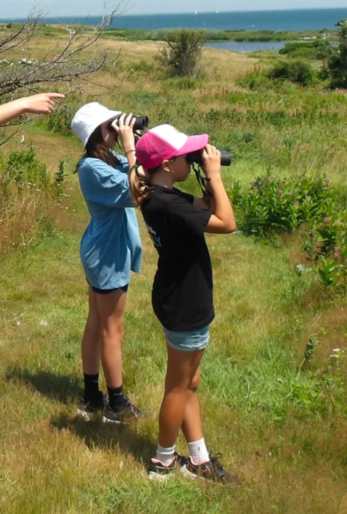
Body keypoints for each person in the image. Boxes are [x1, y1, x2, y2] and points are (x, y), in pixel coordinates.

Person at [130, 124, 239, 484]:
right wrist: (214, 175)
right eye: (185, 155)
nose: (192, 157)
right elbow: (226, 222)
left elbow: (207, 205)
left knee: (189, 382)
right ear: (167, 163)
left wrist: (206, 178)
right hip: (185, 304)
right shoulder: (167, 203)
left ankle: (198, 458)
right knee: (178, 386)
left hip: (178, 297)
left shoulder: (163, 196)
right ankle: (162, 462)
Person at [71, 102, 144, 423]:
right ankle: (116, 403)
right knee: (112, 330)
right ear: (96, 134)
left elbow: (140, 171)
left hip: (102, 250)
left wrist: (138, 144)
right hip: (106, 255)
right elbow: (138, 188)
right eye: (109, 125)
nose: (115, 128)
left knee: (97, 322)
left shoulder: (107, 159)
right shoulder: (92, 166)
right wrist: (130, 146)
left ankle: (91, 393)